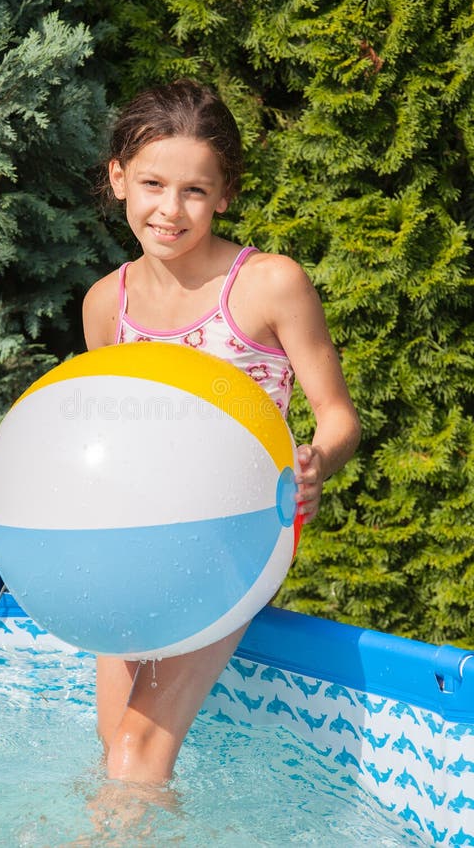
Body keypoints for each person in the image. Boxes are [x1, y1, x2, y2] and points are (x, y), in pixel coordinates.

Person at [82, 79, 361, 788]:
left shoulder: (268, 284)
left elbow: (337, 416)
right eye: (150, 183)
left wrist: (314, 464)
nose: (169, 210)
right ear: (118, 179)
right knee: (115, 746)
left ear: (226, 193)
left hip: (234, 537)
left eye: (195, 192)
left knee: (136, 757)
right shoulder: (105, 305)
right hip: (133, 537)